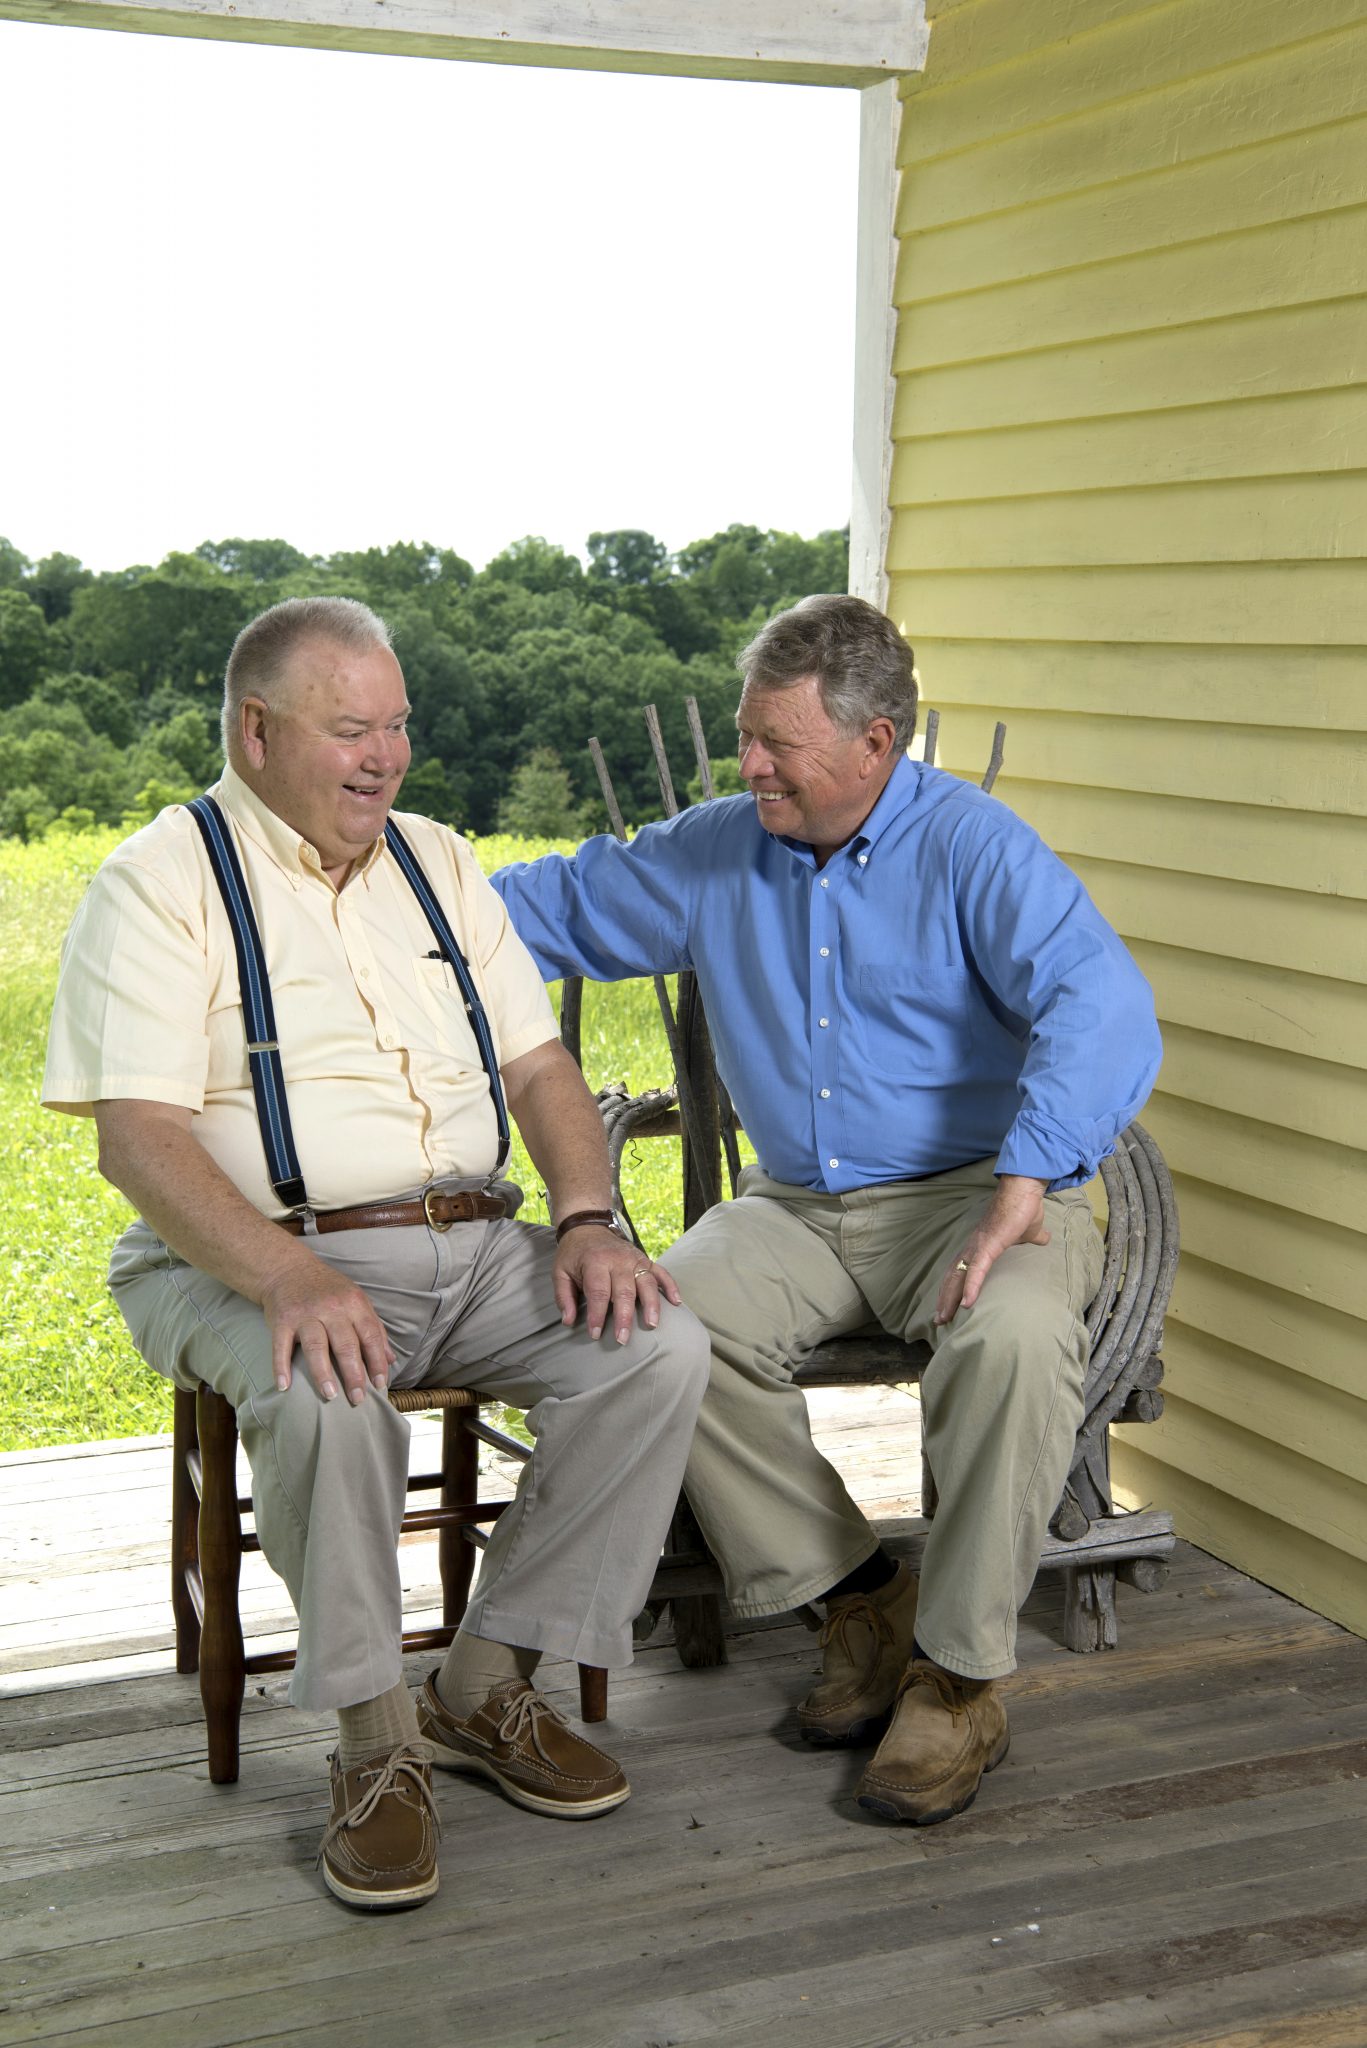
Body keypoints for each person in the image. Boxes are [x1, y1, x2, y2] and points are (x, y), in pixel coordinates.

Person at [42, 595, 709, 1909]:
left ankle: (481, 1685)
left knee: (658, 1347)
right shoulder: (161, 879)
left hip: (472, 1243)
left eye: (397, 726)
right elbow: (137, 1140)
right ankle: (371, 1745)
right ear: (255, 730)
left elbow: (538, 1065)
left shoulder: (439, 862)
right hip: (242, 1257)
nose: (385, 755)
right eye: (351, 728)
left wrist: (583, 1218)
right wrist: (287, 1275)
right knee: (326, 1386)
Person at [492, 592, 1162, 1827]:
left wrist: (1026, 1177)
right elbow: (526, 910)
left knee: (1012, 1338)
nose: (749, 764)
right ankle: (856, 1600)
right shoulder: (713, 846)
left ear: (875, 744)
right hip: (796, 1204)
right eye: (745, 736)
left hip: (979, 1190)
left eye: (777, 745)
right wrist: (368, 890)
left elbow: (1102, 1002)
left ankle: (958, 1682)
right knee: (650, 1326)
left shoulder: (974, 847)